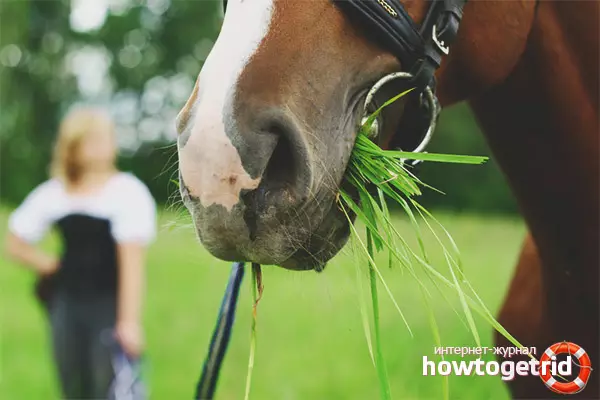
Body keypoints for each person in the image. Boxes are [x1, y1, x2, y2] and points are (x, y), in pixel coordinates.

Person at [4, 107, 156, 399]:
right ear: (73, 146)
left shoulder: (127, 192)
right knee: (72, 382)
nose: (103, 146)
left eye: (106, 138)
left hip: (107, 304)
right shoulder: (55, 193)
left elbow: (132, 263)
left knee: (109, 385)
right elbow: (15, 242)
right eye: (93, 139)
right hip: (66, 305)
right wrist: (49, 264)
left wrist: (129, 322)